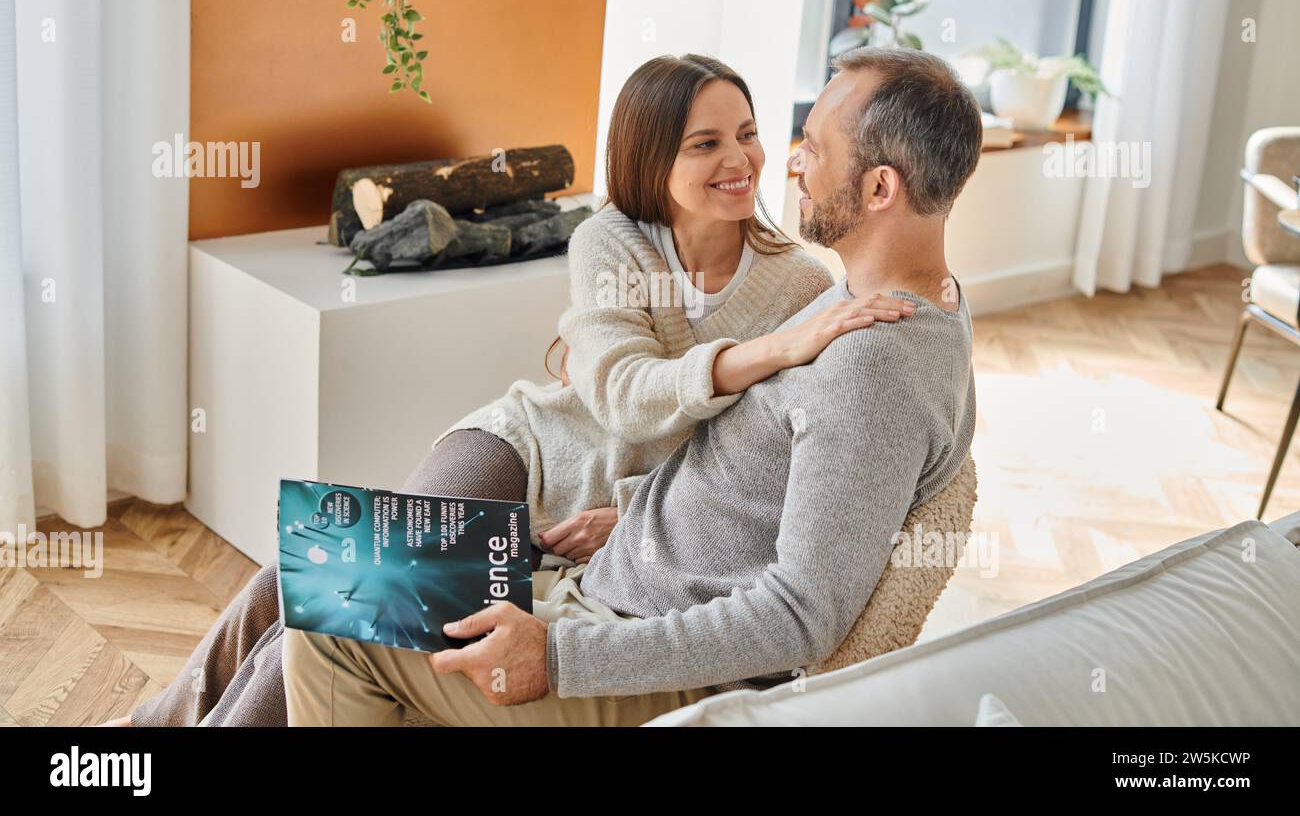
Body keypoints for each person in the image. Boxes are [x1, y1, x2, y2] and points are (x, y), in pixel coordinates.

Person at [109, 54, 909, 727]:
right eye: (706, 143)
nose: (741, 161)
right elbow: (626, 394)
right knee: (343, 581)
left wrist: (633, 512)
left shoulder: (799, 282)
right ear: (651, 160)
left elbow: (740, 457)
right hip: (527, 450)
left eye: (748, 134)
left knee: (321, 588)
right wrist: (767, 350)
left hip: (625, 515)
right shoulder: (611, 240)